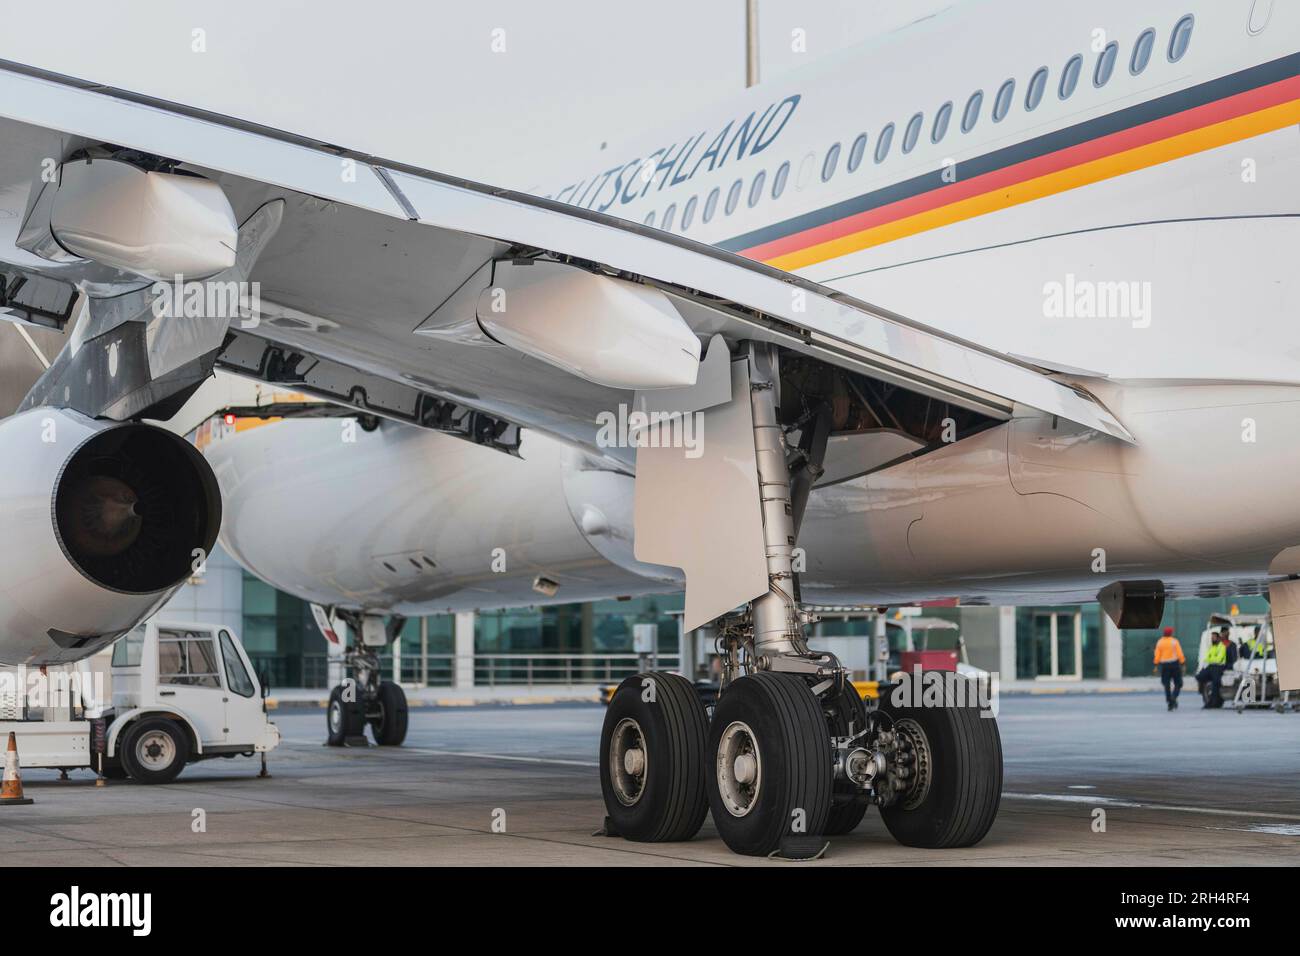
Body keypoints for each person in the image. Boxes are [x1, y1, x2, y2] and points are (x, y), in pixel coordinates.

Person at [1153, 626, 1185, 711]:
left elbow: (1157, 655)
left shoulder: (1159, 642)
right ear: (1171, 633)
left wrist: (1156, 665)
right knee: (1178, 683)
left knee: (1166, 684)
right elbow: (1179, 653)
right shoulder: (1174, 641)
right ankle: (1173, 697)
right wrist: (1183, 663)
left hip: (1164, 665)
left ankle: (1169, 700)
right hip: (1174, 664)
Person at [1197, 633, 1229, 708]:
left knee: (1215, 683)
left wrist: (1211, 659)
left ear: (1218, 638)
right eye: (1212, 637)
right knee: (1199, 676)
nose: (1212, 639)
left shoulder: (1222, 647)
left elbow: (1219, 659)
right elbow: (1206, 658)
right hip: (1211, 666)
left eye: (1214, 637)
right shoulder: (1212, 647)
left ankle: (1212, 702)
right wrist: (1211, 660)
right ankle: (1205, 692)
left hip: (1219, 667)